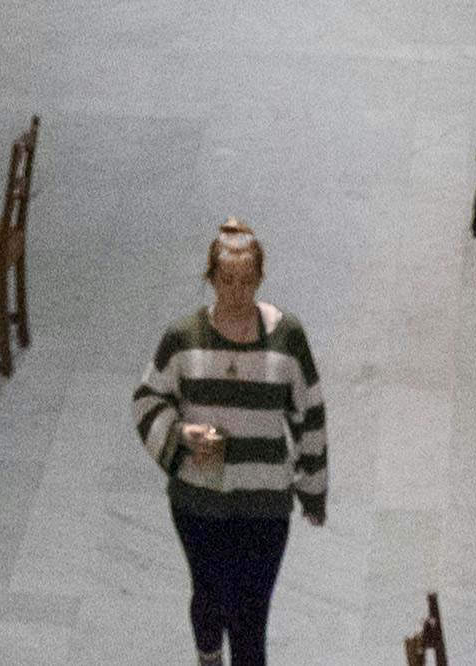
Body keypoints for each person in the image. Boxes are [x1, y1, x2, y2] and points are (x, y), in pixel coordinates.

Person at [129, 220, 331, 666]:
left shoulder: (287, 338)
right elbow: (147, 401)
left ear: (260, 280)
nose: (236, 293)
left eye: (246, 282)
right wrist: (181, 435)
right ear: (211, 280)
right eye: (226, 282)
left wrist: (312, 491)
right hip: (199, 499)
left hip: (264, 503)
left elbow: (309, 414)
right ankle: (207, 655)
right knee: (210, 595)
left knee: (250, 620)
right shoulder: (184, 339)